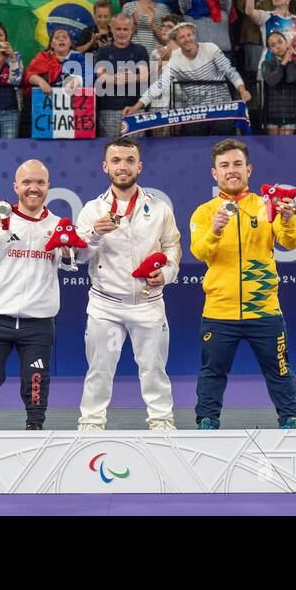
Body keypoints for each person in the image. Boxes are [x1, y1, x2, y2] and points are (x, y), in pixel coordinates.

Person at [189, 139, 296, 430]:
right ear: (214, 173)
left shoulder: (267, 207)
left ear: (249, 169)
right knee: (212, 373)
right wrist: (215, 229)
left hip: (264, 310)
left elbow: (290, 242)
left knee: (279, 370)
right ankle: (206, 421)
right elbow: (199, 252)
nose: (232, 170)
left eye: (237, 164)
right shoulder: (204, 213)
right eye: (224, 166)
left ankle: (290, 420)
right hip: (219, 311)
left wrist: (288, 220)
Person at [73, 138, 180, 431]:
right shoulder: (92, 211)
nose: (123, 167)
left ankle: (161, 421)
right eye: (117, 161)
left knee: (154, 369)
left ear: (140, 166)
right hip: (106, 305)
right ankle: (91, 422)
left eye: (129, 161)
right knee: (100, 369)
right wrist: (94, 234)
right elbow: (79, 256)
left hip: (148, 303)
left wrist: (167, 273)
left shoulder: (159, 209)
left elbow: (172, 247)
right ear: (105, 166)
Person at [0, 159, 85, 431]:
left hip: (38, 321)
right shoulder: (0, 221)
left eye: (39, 183)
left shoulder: (59, 225)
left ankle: (35, 426)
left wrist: (68, 251)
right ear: (16, 186)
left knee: (36, 378)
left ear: (48, 187)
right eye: (27, 182)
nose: (33, 188)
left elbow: (68, 265)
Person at [125, 20, 250, 127]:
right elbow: (159, 85)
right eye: (182, 37)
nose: (187, 39)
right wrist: (136, 107)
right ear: (177, 42)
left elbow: (230, 71)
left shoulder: (211, 48)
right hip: (195, 112)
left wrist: (242, 91)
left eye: (189, 35)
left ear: (194, 36)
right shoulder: (175, 59)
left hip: (221, 108)